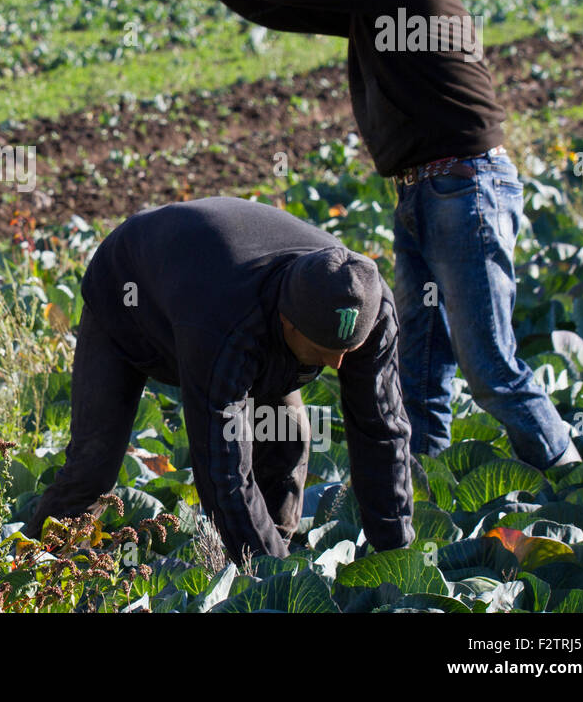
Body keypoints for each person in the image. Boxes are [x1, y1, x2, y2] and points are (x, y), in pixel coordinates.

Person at [128, 0, 580, 473]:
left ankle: (576, 479)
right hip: (429, 190)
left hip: (463, 189)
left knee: (491, 369)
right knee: (419, 378)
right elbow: (269, 4)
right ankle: (426, 509)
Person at [24, 197, 413, 563]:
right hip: (129, 295)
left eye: (348, 349)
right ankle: (33, 569)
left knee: (285, 440)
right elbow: (223, 471)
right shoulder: (225, 327)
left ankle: (271, 556)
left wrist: (396, 556)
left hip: (222, 291)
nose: (337, 362)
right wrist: (266, 568)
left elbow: (382, 430)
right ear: (286, 322)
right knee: (93, 465)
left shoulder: (368, 307)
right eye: (323, 349)